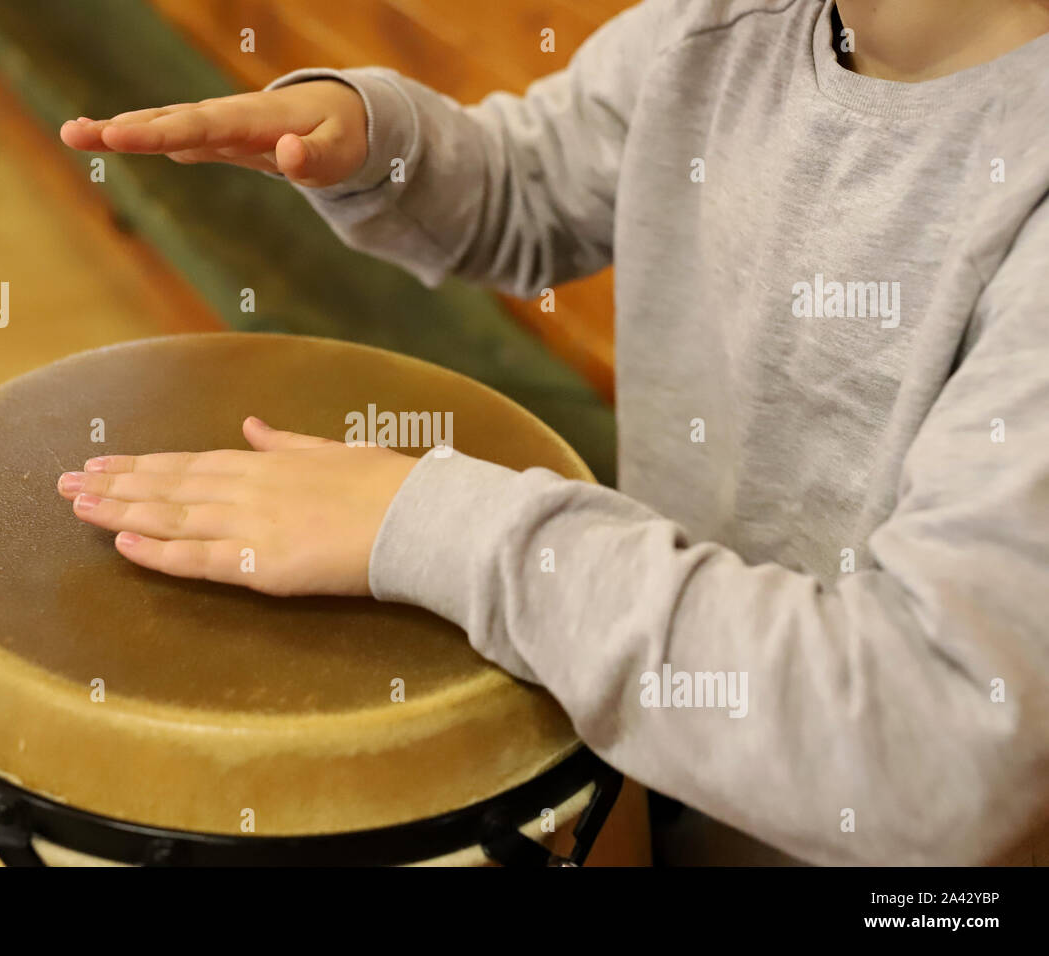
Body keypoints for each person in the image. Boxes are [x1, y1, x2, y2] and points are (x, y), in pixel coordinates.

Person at [56, 0, 1049, 865]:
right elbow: (524, 189)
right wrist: (375, 141)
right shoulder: (720, 28)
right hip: (656, 780)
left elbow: (947, 746)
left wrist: (437, 525)